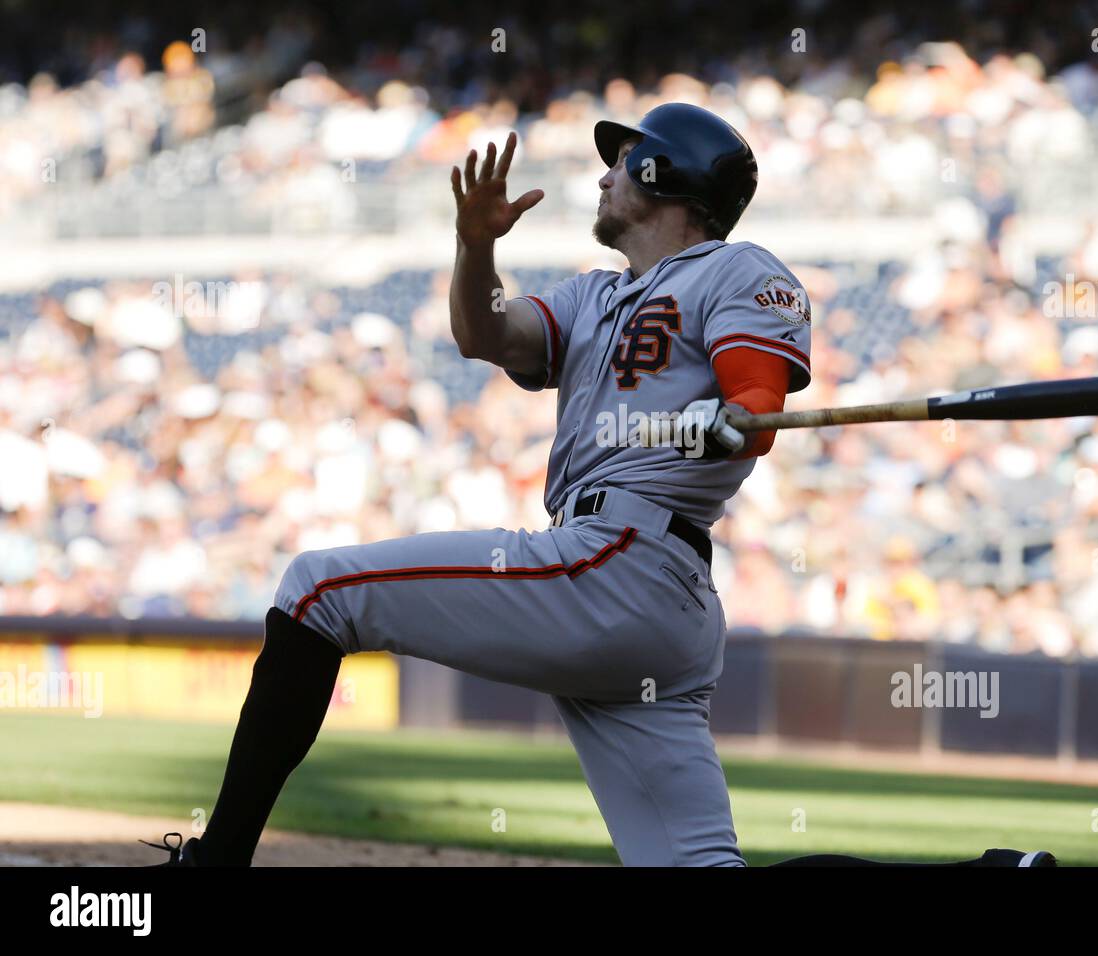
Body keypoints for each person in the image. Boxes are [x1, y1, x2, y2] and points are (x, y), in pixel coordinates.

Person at [141, 103, 1051, 867]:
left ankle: (217, 864)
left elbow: (757, 402)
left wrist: (734, 417)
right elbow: (484, 336)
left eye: (622, 162)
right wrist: (474, 248)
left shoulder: (737, 269)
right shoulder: (593, 294)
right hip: (637, 593)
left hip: (624, 560)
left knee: (319, 588)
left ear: (661, 175)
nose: (605, 176)